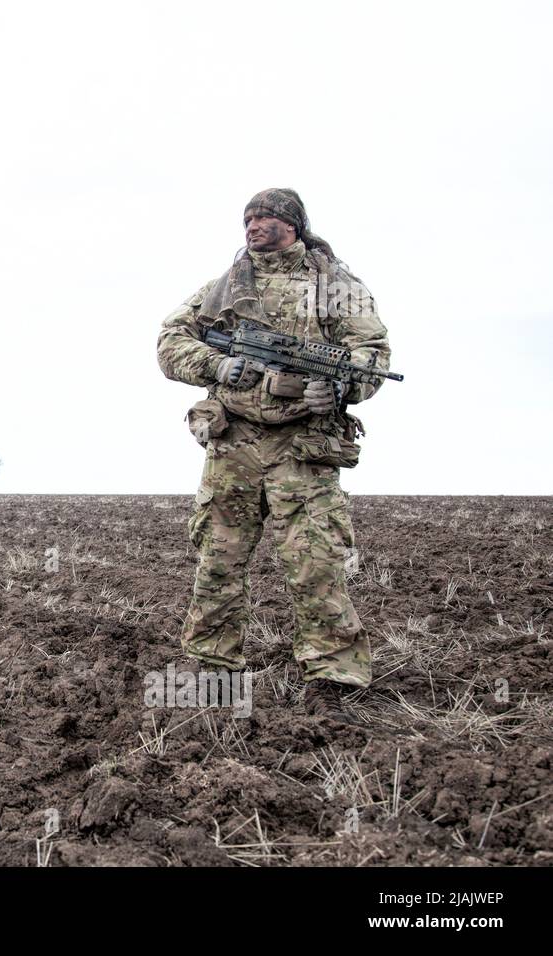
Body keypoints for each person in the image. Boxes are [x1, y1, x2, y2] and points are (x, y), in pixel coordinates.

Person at [156, 188, 392, 719]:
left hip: (302, 445)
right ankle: (212, 669)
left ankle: (334, 676)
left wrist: (338, 390)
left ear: (293, 224)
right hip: (234, 438)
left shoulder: (335, 286)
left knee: (316, 559)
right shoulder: (223, 289)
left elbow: (372, 356)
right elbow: (170, 339)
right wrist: (213, 367)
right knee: (218, 555)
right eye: (247, 218)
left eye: (264, 217)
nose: (252, 225)